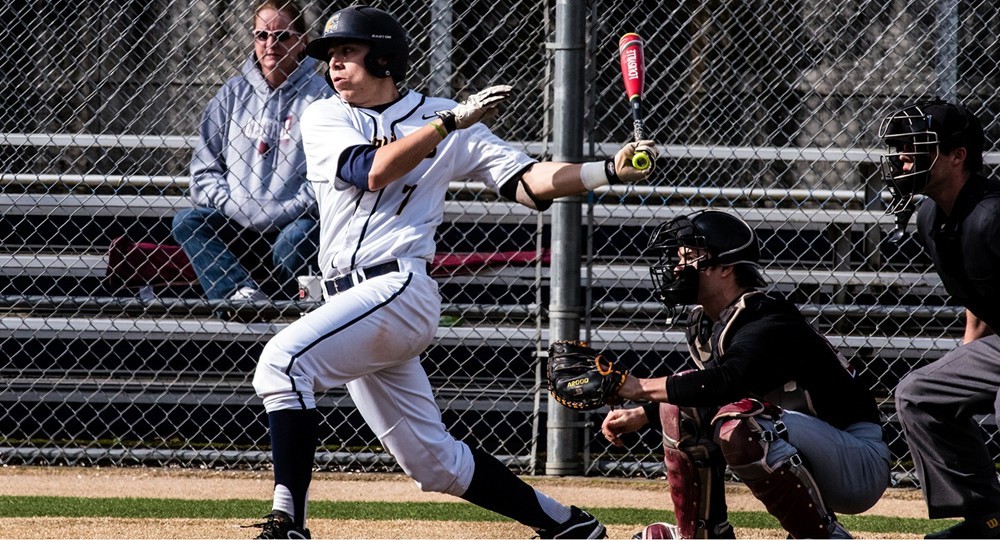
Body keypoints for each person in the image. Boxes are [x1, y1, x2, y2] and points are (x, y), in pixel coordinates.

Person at [247, 5, 658, 539]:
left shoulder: (446, 116)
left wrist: (606, 170)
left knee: (282, 365)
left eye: (348, 52)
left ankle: (288, 523)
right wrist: (448, 123)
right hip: (347, 301)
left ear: (384, 58)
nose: (335, 65)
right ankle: (568, 526)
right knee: (433, 463)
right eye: (332, 56)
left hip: (397, 288)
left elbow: (529, 182)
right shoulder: (327, 115)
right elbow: (369, 171)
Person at [599, 210, 890, 539]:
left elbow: (730, 381)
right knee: (677, 407)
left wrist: (633, 386)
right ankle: (705, 533)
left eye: (691, 257)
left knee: (740, 422)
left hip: (856, 460)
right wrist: (645, 413)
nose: (678, 267)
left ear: (726, 266)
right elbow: (707, 391)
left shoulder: (766, 318)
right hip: (803, 443)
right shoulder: (708, 322)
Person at [882, 99, 1000, 539]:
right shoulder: (932, 216)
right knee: (919, 395)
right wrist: (971, 349)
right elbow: (980, 290)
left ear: (957, 155)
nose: (901, 157)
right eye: (899, 148)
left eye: (914, 146)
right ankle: (988, 519)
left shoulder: (992, 214)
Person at [172, 0, 331, 307]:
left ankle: (307, 306)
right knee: (188, 222)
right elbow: (204, 170)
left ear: (301, 42)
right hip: (235, 220)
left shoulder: (322, 98)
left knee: (299, 239)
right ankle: (239, 296)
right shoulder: (231, 94)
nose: (271, 44)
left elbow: (327, 177)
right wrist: (233, 205)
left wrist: (285, 210)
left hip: (293, 222)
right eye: (262, 35)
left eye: (282, 35)